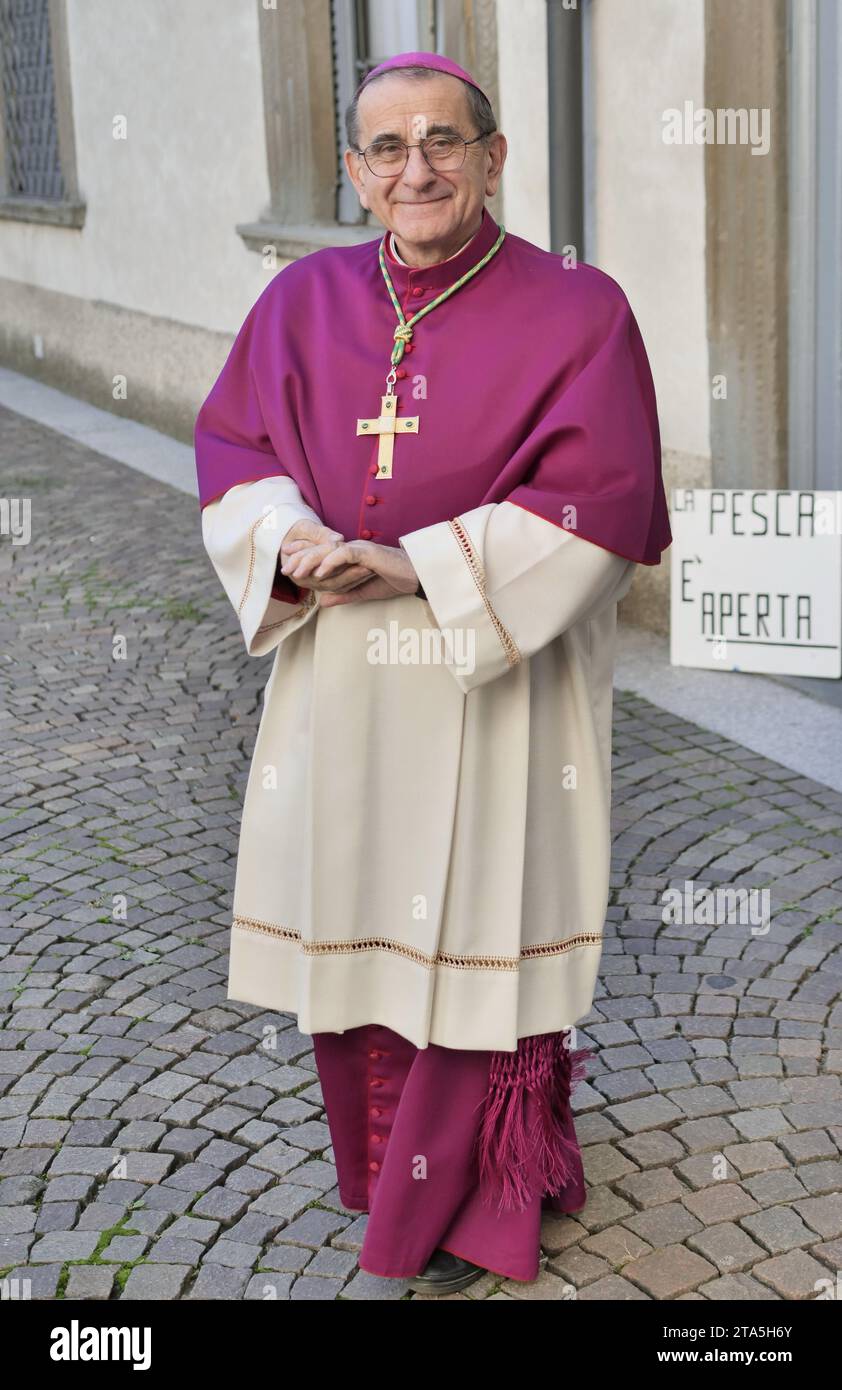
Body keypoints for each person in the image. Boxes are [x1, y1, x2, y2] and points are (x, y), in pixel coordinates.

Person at [194, 50, 671, 1295]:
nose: (418, 169)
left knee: (482, 927)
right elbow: (234, 448)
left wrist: (423, 568)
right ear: (354, 174)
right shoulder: (299, 303)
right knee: (356, 919)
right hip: (341, 678)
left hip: (495, 676)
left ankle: (472, 1205)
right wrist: (287, 540)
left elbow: (605, 501)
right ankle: (381, 1178)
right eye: (388, 149)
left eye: (444, 142)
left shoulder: (579, 310)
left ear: (493, 156)